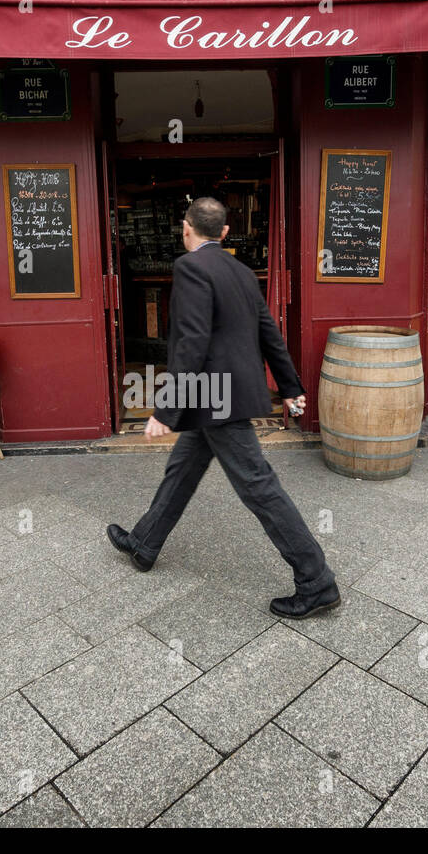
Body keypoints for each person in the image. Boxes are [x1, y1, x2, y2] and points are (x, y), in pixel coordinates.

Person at [106, 197, 339, 620]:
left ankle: (316, 581)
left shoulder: (190, 267)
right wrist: (289, 386)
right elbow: (268, 331)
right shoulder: (242, 272)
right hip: (216, 395)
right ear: (226, 232)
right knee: (182, 469)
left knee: (259, 487)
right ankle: (144, 543)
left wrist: (166, 408)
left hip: (214, 397)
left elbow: (192, 341)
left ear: (185, 228)